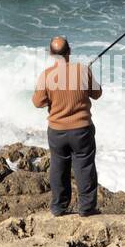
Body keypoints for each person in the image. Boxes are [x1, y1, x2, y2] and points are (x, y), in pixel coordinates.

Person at [31, 36, 101, 215]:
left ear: (51, 55)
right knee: (84, 166)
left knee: (58, 166)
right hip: (81, 129)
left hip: (57, 131)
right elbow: (97, 93)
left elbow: (37, 102)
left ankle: (58, 207)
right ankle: (86, 208)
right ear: (69, 51)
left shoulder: (46, 75)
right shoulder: (82, 70)